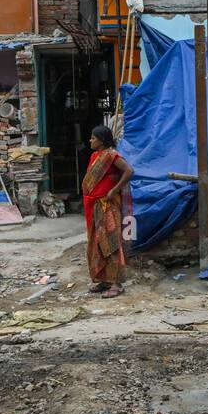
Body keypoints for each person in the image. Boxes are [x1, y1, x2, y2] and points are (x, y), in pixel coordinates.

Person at [82, 124, 133, 298]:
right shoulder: (95, 156)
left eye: (93, 138)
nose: (90, 140)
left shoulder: (112, 155)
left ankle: (116, 283)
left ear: (102, 140)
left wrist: (115, 189)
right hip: (94, 206)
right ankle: (104, 279)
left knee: (110, 243)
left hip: (107, 206)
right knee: (97, 243)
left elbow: (129, 171)